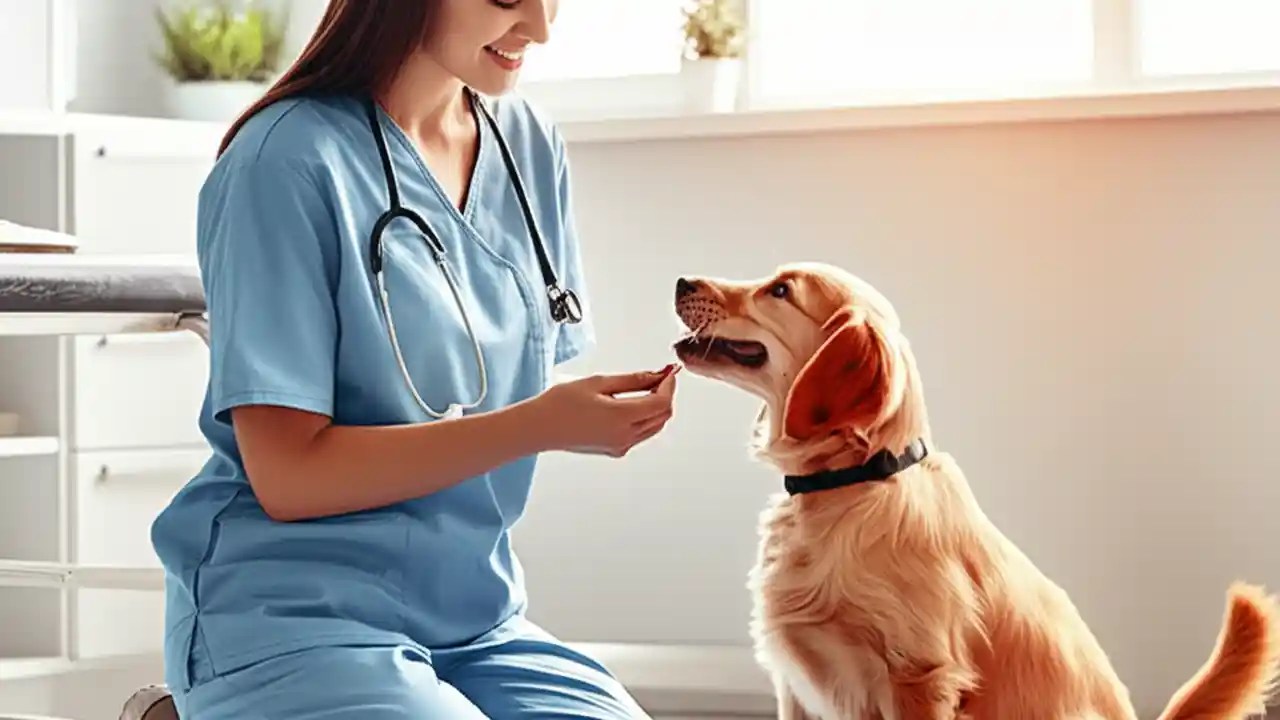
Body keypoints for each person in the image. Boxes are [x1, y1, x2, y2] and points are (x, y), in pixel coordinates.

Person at [148, 1, 680, 717]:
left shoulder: (526, 143)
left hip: (476, 616)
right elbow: (287, 476)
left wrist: (569, 419)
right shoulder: (284, 162)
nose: (540, 29)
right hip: (292, 617)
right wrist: (540, 425)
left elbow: (488, 386)